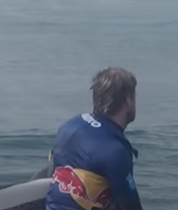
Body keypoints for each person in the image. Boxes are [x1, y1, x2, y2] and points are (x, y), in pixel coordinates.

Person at [45, 67, 143, 210]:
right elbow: (130, 205)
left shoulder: (69, 126)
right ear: (127, 100)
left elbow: (52, 169)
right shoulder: (114, 149)